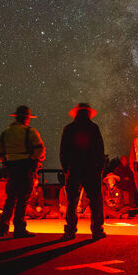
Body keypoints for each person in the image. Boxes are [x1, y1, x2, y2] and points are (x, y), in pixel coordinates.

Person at [0, 106, 46, 238]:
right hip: (25, 167)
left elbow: (1, 153)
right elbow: (40, 149)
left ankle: (3, 226)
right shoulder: (29, 131)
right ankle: (19, 228)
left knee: (10, 198)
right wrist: (35, 159)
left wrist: (9, 162)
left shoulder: (5, 133)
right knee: (23, 198)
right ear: (27, 118)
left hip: (11, 168)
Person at [60, 103, 106, 240]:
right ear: (88, 114)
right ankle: (97, 230)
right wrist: (99, 169)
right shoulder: (93, 128)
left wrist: (66, 169)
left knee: (72, 201)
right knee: (95, 200)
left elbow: (63, 152)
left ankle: (70, 230)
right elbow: (100, 150)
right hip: (91, 168)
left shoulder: (69, 129)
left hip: (74, 168)